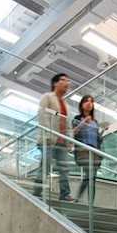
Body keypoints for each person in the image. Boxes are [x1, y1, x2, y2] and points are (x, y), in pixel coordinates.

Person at [34, 73, 73, 201]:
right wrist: (49, 134)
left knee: (64, 168)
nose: (66, 83)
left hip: (61, 142)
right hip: (48, 139)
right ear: (55, 83)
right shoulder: (47, 97)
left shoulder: (65, 104)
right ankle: (37, 190)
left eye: (68, 81)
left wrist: (70, 140)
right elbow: (42, 115)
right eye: (63, 80)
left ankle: (64, 193)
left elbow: (68, 124)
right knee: (45, 166)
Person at [73, 95, 101, 204]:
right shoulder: (77, 118)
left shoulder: (95, 122)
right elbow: (73, 133)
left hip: (95, 152)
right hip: (83, 151)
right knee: (90, 175)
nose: (89, 103)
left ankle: (86, 202)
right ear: (82, 104)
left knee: (91, 177)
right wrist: (84, 122)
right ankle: (84, 201)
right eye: (86, 101)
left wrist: (102, 131)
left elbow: (98, 140)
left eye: (91, 102)